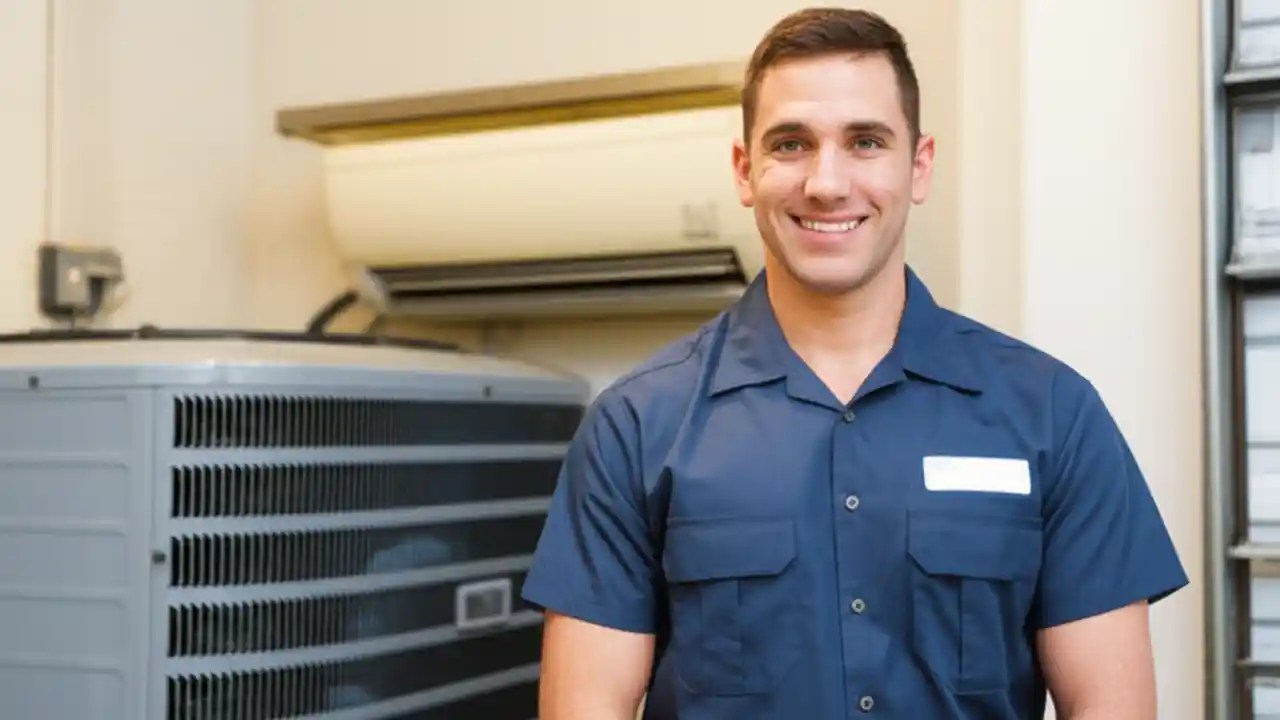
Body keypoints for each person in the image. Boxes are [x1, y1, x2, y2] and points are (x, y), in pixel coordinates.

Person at [520, 7, 1188, 719]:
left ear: (919, 165)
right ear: (746, 170)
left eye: (865, 141)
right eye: (792, 144)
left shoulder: (1053, 415)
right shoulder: (636, 427)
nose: (827, 183)